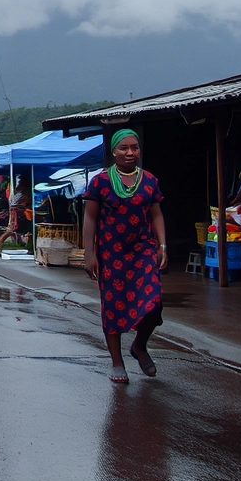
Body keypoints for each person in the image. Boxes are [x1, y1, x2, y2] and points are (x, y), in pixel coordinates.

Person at [83, 128, 167, 382]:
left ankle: (139, 345)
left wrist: (162, 246)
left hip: (142, 250)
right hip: (111, 252)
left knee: (154, 303)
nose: (130, 153)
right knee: (113, 305)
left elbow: (156, 215)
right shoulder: (101, 182)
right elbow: (90, 217)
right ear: (114, 152)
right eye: (124, 148)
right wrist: (89, 253)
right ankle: (117, 362)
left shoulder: (150, 180)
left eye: (135, 148)